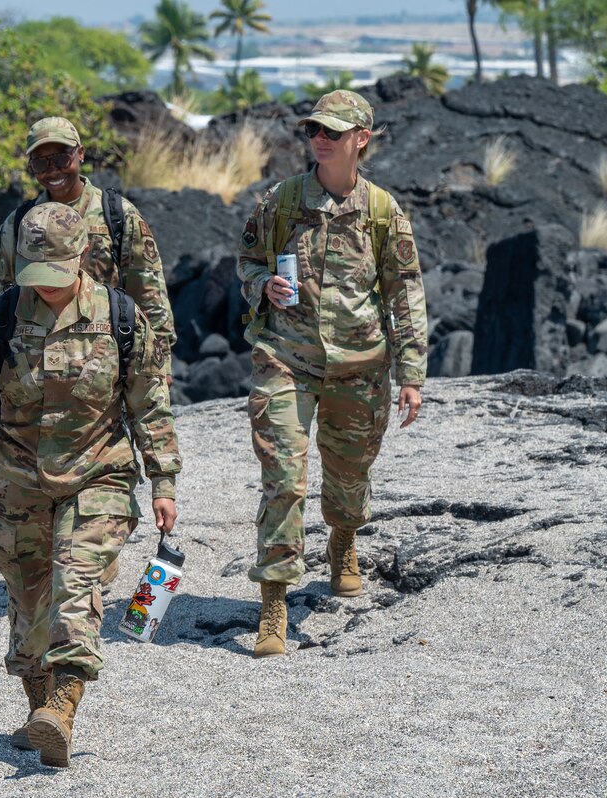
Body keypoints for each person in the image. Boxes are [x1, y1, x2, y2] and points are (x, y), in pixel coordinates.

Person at [0, 202, 181, 768]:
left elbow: (149, 405)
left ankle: (63, 706)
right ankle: (40, 707)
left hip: (99, 474)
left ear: (82, 257)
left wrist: (163, 481)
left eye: (54, 274)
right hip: (14, 482)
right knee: (28, 601)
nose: (44, 287)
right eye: (34, 274)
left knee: (76, 585)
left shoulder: (119, 316)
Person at [235, 90, 428, 658]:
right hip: (285, 359)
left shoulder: (382, 211)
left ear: (361, 140)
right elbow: (246, 261)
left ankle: (343, 539)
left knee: (349, 473)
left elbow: (405, 293)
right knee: (284, 478)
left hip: (360, 367)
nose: (320, 138)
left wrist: (412, 372)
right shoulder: (282, 201)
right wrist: (260, 286)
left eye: (333, 131)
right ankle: (274, 601)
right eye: (314, 129)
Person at [0, 115, 177, 587]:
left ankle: (88, 555)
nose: (53, 169)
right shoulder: (18, 227)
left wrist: (159, 361)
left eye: (61, 157)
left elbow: (149, 293)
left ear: (81, 156)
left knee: (103, 462)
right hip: (37, 365)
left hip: (106, 358)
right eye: (40, 160)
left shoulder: (117, 215)